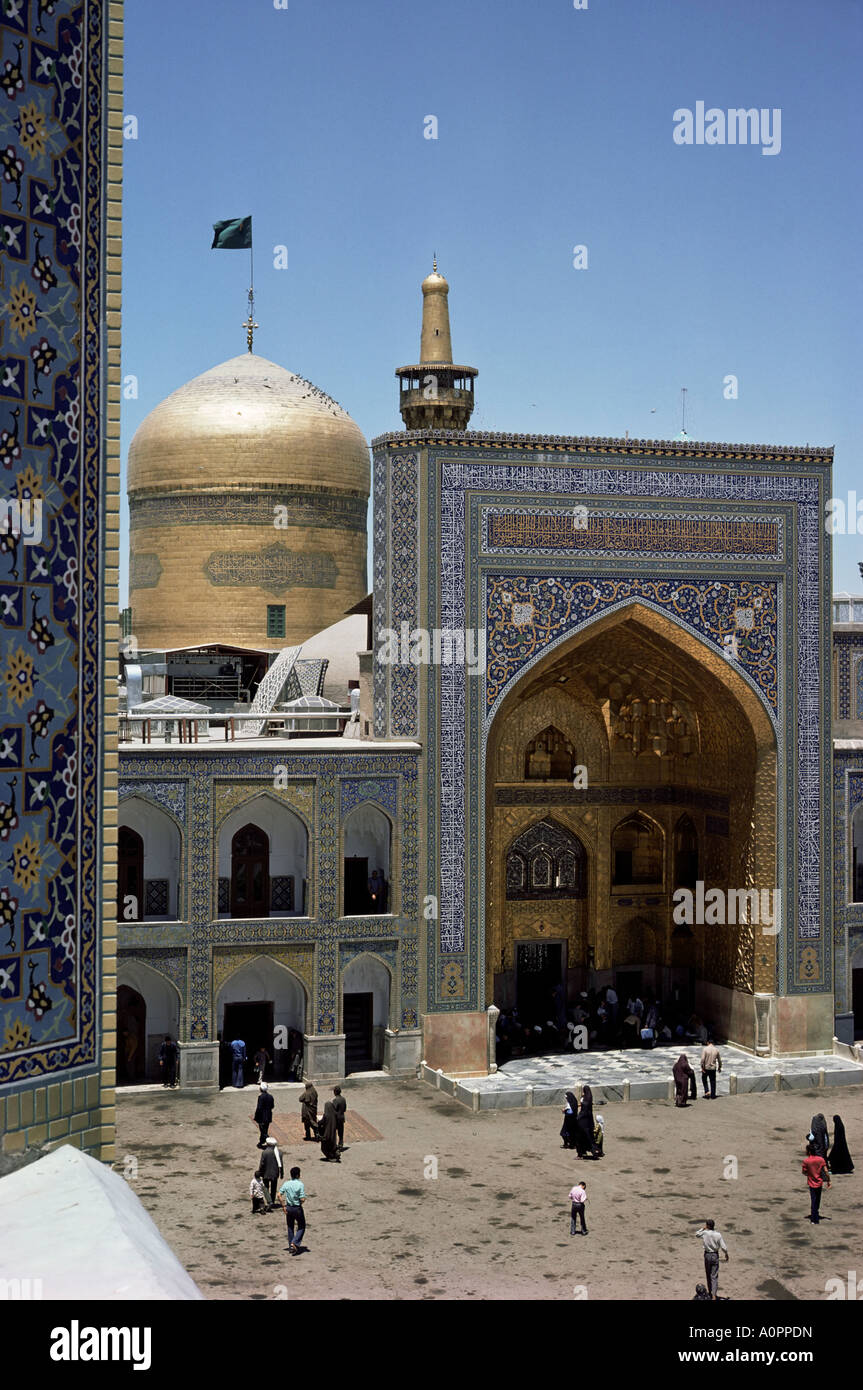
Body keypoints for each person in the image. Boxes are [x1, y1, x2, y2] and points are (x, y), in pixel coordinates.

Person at [695, 1220, 728, 1300]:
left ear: (708, 1226)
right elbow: (723, 1247)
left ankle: (710, 1293)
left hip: (707, 1255)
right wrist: (726, 1254)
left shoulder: (705, 1233)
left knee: (708, 1275)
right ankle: (713, 1295)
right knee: (714, 1276)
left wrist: (702, 1228)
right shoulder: (718, 1234)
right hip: (715, 1255)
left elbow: (697, 1234)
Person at [278, 1165, 306, 1254]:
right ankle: (295, 1242)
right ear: (298, 1175)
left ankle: (291, 1246)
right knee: (301, 1226)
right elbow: (302, 1198)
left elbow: (279, 1195)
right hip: (297, 1208)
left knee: (290, 1227)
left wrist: (283, 1206)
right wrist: (302, 1201)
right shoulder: (300, 1184)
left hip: (288, 1208)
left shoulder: (286, 1183)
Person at [802, 1142, 831, 1224]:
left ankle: (814, 1218)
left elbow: (804, 1172)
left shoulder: (806, 1161)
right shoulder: (821, 1159)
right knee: (818, 1200)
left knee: (813, 1200)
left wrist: (809, 1174)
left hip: (811, 1183)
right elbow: (826, 1171)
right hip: (819, 1183)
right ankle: (816, 1214)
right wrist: (829, 1181)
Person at [258, 1135, 283, 1210]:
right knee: (273, 1188)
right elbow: (281, 1164)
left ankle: (269, 1201)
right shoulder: (279, 1152)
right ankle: (272, 1200)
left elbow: (262, 1164)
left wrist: (260, 1172)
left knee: (265, 1187)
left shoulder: (265, 1152)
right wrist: (282, 1173)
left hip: (266, 1173)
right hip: (275, 1174)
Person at [576, 1084, 598, 1157]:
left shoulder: (585, 1101)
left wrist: (578, 1118)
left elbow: (583, 1111)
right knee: (589, 1137)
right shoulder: (589, 1099)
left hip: (582, 1122)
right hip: (588, 1122)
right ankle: (595, 1151)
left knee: (581, 1138)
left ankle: (581, 1153)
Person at [319, 1097, 340, 1161]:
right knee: (333, 1145)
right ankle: (335, 1154)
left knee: (324, 1147)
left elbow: (321, 1122)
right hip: (333, 1132)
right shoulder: (335, 1114)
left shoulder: (326, 1115)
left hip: (327, 1133)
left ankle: (330, 1157)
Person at [253, 1081, 274, 1147]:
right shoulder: (270, 1096)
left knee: (263, 1131)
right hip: (268, 1116)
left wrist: (256, 1116)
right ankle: (262, 1141)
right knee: (265, 1129)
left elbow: (259, 1108)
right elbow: (272, 1106)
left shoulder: (261, 1097)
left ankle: (270, 1142)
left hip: (262, 1117)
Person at [332, 1085, 347, 1152]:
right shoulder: (343, 1099)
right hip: (342, 1117)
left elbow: (333, 1109)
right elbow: (344, 1109)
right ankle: (341, 1144)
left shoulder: (335, 1100)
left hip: (336, 1119)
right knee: (341, 1133)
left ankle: (334, 1145)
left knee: (334, 1132)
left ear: (335, 1092)